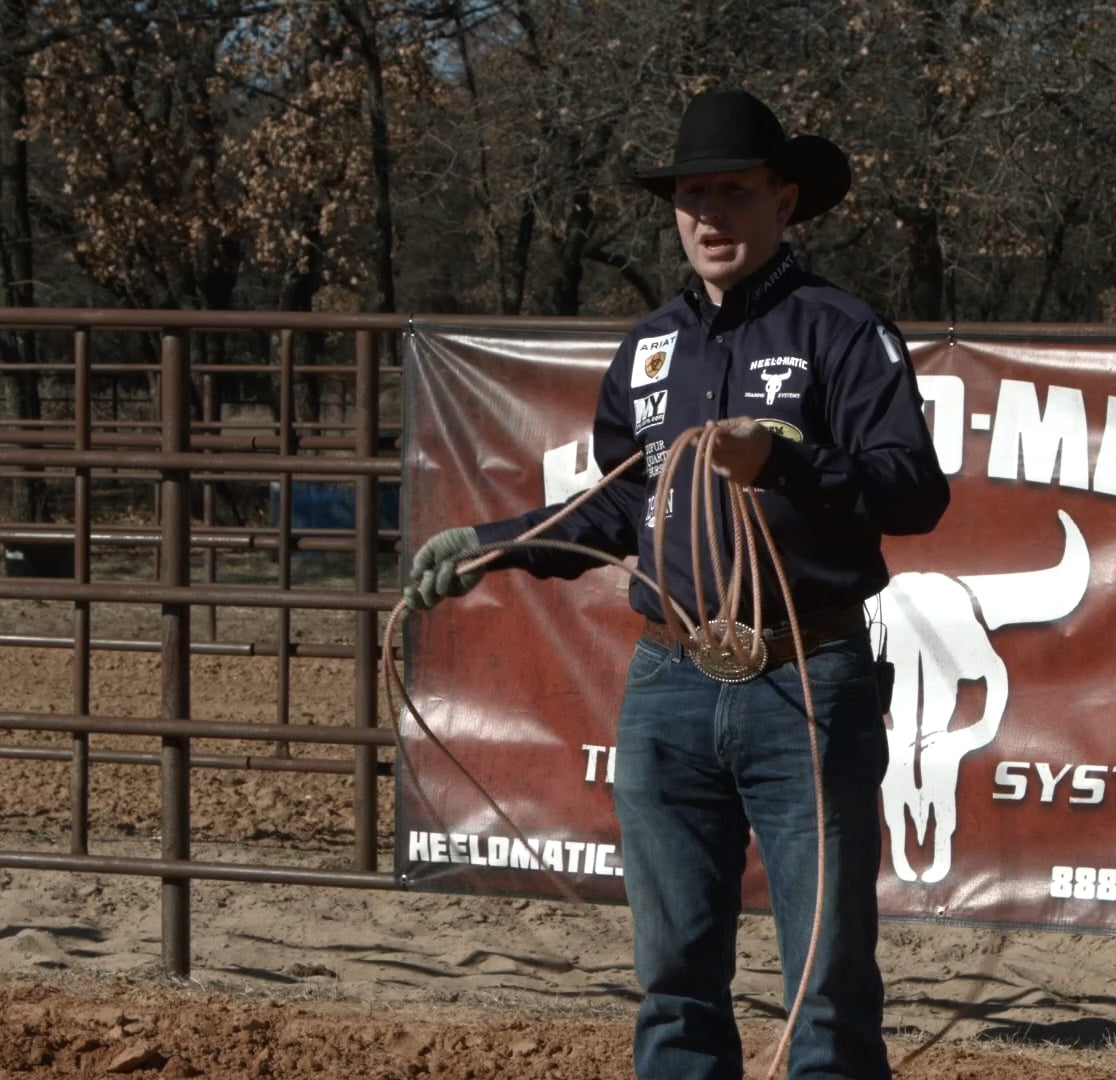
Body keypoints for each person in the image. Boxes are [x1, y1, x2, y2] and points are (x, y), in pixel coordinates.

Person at [406, 89, 949, 1080]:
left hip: (807, 676)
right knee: (673, 983)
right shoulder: (650, 350)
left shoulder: (841, 330)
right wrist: (494, 545)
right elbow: (616, 512)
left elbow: (912, 489)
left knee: (826, 990)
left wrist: (780, 459)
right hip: (670, 678)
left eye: (734, 193)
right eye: (693, 196)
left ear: (784, 202)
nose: (710, 217)